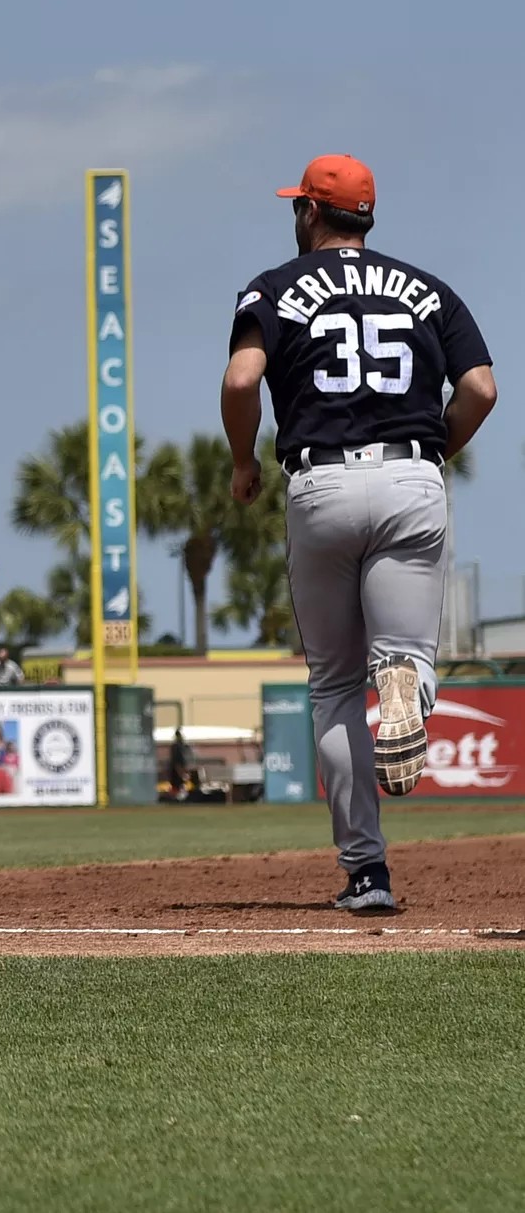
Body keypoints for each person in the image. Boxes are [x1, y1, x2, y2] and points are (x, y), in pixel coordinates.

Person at [222, 155, 496, 912]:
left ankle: (367, 873)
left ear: (310, 212)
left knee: (336, 684)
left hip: (322, 483)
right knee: (399, 654)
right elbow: (481, 386)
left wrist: (244, 460)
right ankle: (405, 680)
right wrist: (435, 448)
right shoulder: (428, 288)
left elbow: (243, 379)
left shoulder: (274, 286)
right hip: (412, 474)